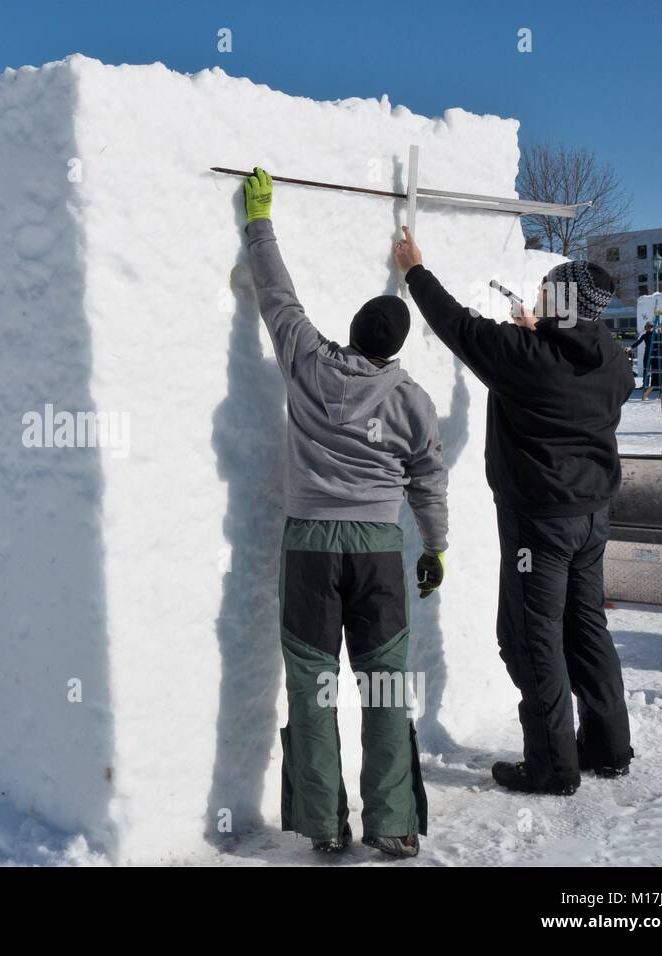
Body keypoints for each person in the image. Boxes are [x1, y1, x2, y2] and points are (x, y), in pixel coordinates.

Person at [243, 169, 449, 859]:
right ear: (394, 348)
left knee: (312, 684)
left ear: (355, 332)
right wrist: (436, 547)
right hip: (378, 552)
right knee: (385, 684)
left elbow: (277, 294)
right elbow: (429, 477)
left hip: (307, 547)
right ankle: (392, 824)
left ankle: (325, 824)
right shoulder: (412, 401)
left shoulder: (307, 359)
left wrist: (259, 219)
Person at [392, 226, 635, 797]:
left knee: (531, 637)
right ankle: (608, 746)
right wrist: (549, 333)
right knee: (586, 626)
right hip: (593, 515)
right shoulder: (614, 360)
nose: (540, 296)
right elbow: (573, 368)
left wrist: (413, 270)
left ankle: (552, 766)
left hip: (539, 524)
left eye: (549, 292)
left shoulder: (524, 356)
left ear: (561, 304)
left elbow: (457, 327)